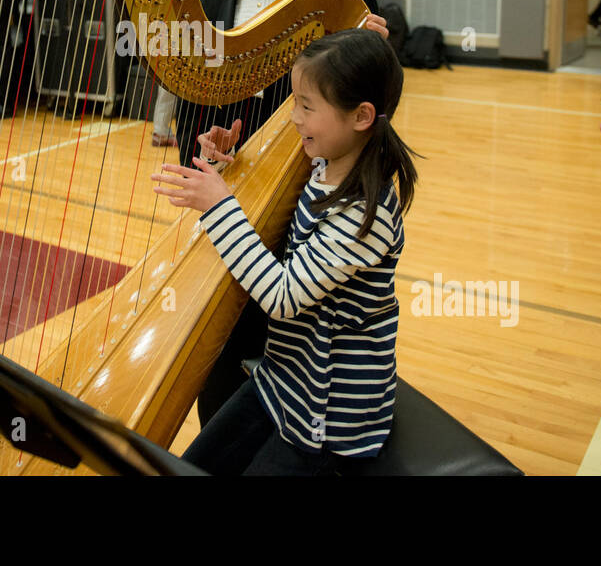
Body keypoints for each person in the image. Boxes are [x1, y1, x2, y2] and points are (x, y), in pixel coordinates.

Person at [172, 0, 383, 425]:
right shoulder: (210, 3)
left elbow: (374, 110)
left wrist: (376, 55)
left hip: (318, 212)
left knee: (294, 380)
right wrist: (210, 147)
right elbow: (193, 114)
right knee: (219, 381)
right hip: (234, 205)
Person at [152, 28, 414, 474]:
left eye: (306, 106)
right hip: (284, 381)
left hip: (328, 417)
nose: (293, 118)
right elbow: (272, 227)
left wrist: (219, 205)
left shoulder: (364, 216)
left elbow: (282, 295)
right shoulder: (323, 165)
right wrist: (231, 168)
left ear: (362, 115)